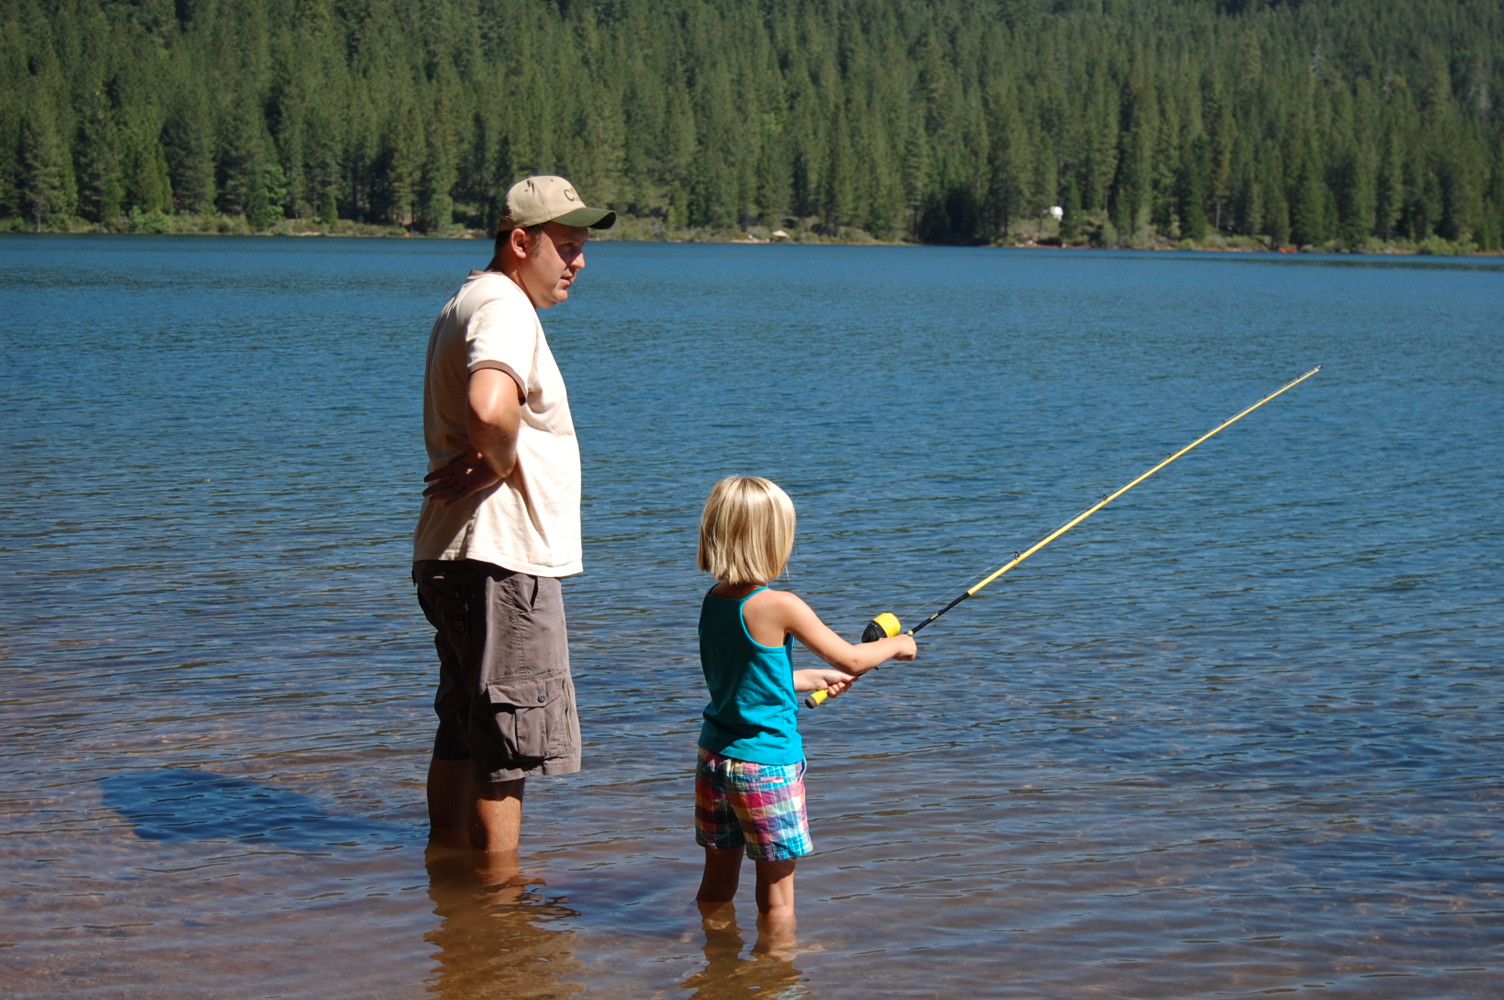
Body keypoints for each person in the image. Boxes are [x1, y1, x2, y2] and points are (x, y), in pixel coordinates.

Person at [413, 175, 615, 855]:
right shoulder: (505, 308)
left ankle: (449, 881)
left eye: (582, 246)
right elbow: (489, 405)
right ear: (520, 242)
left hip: (452, 554)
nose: (579, 261)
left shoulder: (467, 299)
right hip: (501, 561)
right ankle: (499, 913)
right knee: (511, 742)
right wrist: (500, 463)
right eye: (565, 246)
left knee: (464, 725)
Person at [692, 475, 918, 931]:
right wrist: (898, 646)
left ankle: (715, 960)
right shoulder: (781, 604)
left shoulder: (714, 600)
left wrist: (812, 678)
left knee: (717, 881)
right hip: (767, 764)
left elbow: (744, 680)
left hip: (715, 758)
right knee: (777, 900)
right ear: (772, 541)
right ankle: (779, 977)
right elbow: (852, 656)